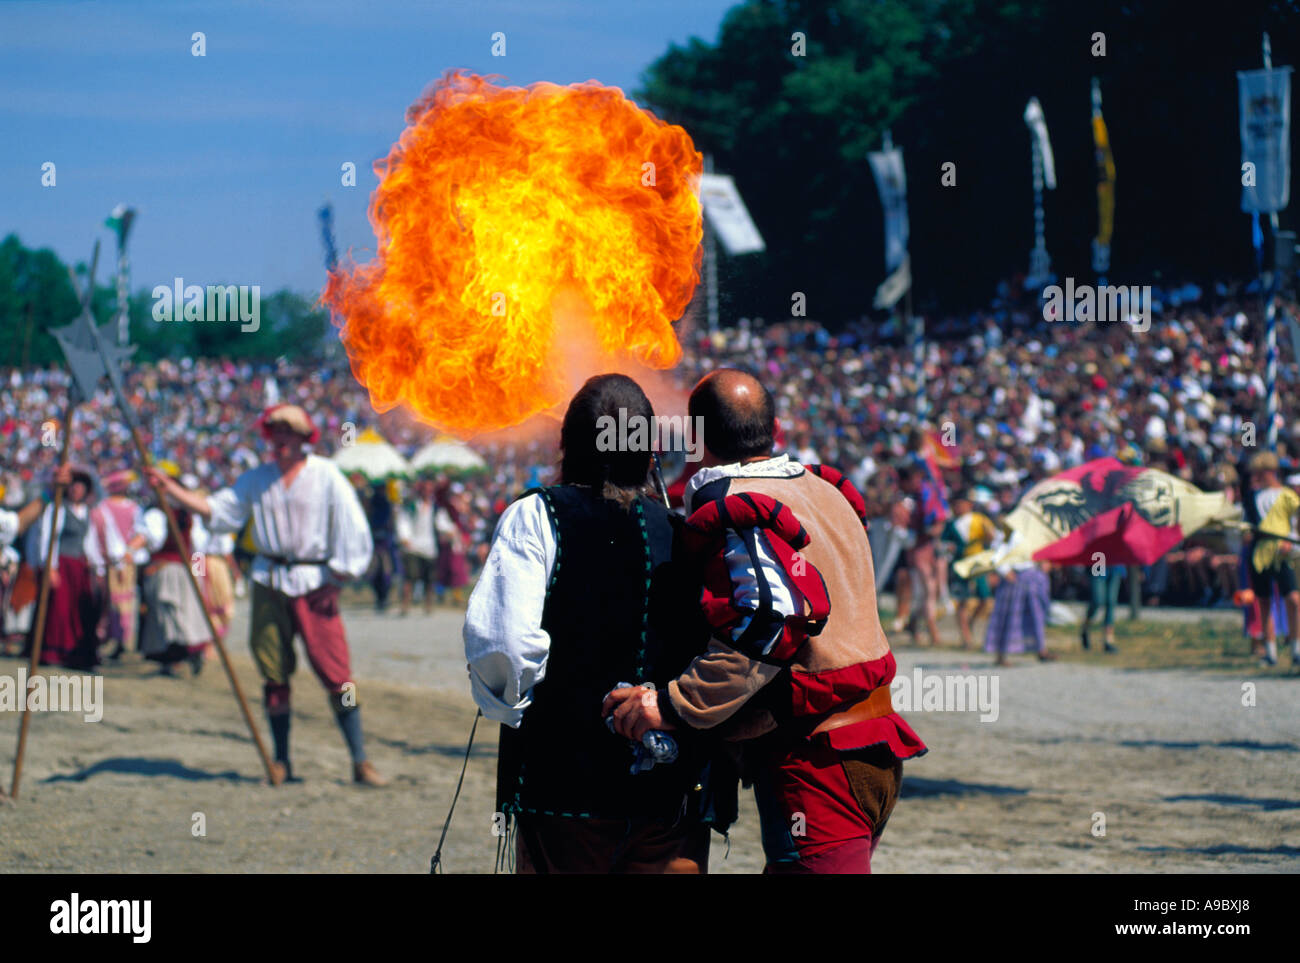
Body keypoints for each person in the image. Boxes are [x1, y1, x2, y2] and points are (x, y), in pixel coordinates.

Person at [604, 368, 926, 874]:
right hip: (874, 745)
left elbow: (770, 623)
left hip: (821, 762)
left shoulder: (735, 502)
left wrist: (675, 703)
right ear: (772, 429)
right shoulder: (827, 488)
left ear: (697, 438)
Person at [464, 374, 718, 874]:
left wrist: (517, 709)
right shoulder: (685, 531)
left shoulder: (536, 516)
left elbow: (503, 646)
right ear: (648, 454)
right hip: (670, 793)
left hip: (566, 791)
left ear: (566, 446)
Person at [145, 403, 386, 786]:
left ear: (303, 437)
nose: (280, 439)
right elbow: (217, 509)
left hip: (315, 582)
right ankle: (281, 760)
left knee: (338, 674)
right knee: (273, 673)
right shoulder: (257, 479)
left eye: (288, 432)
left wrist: (343, 571)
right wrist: (170, 489)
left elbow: (352, 525)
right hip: (269, 581)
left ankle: (360, 760)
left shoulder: (326, 475)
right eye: (275, 432)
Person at [25, 465, 125, 669]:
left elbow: (90, 541)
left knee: (81, 611)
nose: (76, 490)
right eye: (73, 486)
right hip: (61, 564)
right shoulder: (57, 508)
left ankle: (76, 653)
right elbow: (48, 538)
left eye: (80, 487)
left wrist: (95, 565)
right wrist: (50, 566)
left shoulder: (89, 513)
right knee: (58, 609)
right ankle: (53, 650)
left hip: (79, 567)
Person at [128, 466, 211, 677]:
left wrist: (199, 577)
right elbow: (147, 537)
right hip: (169, 571)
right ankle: (173, 658)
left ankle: (183, 654)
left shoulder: (188, 517)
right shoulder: (158, 514)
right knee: (169, 617)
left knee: (176, 616)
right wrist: (129, 552)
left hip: (176, 573)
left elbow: (197, 549)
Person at [1242, 450, 1300, 666]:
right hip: (1259, 553)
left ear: (1268, 472)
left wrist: (1290, 540)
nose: (1254, 476)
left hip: (1282, 554)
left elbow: (1296, 523)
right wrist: (1246, 534)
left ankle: (1296, 649)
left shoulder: (1287, 495)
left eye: (1257, 472)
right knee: (1264, 603)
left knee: (1294, 600)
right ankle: (1270, 652)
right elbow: (1246, 524)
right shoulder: (1251, 497)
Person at [942, 492, 1000, 649]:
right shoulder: (951, 524)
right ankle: (966, 637)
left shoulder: (979, 520)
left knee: (984, 598)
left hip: (978, 562)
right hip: (960, 564)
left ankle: (971, 624)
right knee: (962, 600)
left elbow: (993, 538)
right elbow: (943, 542)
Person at [99, 469, 144, 660]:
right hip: (119, 559)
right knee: (120, 600)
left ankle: (118, 638)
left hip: (119, 559)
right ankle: (116, 638)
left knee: (118, 599)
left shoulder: (109, 506)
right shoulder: (129, 507)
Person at [396, 477, 439, 616]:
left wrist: (451, 531)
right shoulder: (412, 505)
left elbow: (441, 521)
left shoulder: (435, 506)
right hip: (413, 545)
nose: (428, 492)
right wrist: (404, 537)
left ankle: (428, 605)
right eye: (425, 490)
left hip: (429, 546)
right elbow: (403, 520)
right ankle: (405, 605)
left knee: (429, 579)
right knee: (410, 577)